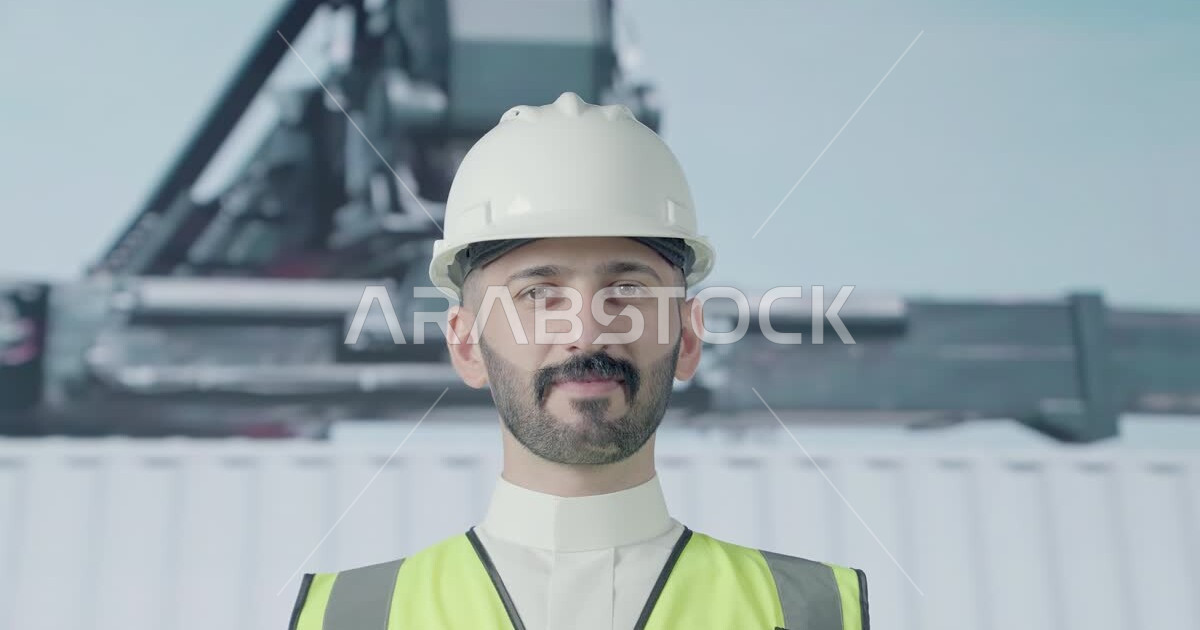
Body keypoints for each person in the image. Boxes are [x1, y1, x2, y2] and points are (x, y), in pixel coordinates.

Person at [289, 91, 869, 630]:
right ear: (467, 346)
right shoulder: (353, 618)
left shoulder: (807, 612)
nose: (587, 332)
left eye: (628, 290)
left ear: (688, 339)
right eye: (539, 293)